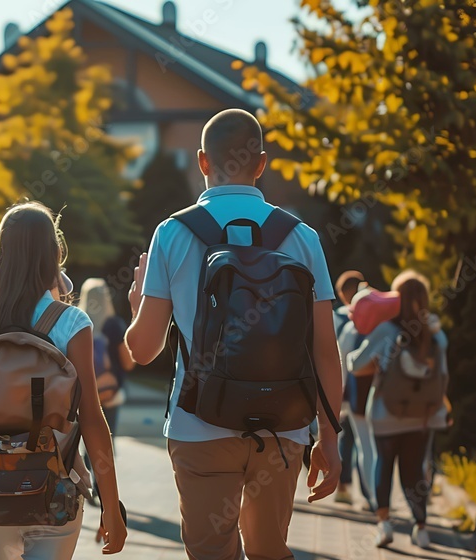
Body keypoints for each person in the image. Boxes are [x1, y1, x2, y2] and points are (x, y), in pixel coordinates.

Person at [124, 108, 342, 559]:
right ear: (261, 164)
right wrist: (330, 437)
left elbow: (143, 350)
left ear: (203, 161)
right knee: (268, 551)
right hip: (284, 426)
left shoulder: (172, 233)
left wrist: (134, 306)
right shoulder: (302, 237)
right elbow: (325, 350)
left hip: (200, 422)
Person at [0, 202, 127, 558]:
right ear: (55, 255)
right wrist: (111, 505)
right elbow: (92, 417)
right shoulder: (70, 322)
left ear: (0, 254)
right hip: (53, 486)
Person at [347, 270, 448, 549]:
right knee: (414, 471)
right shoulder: (437, 334)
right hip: (423, 415)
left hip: (384, 413)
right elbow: (444, 376)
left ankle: (385, 525)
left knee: (384, 465)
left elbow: (355, 365)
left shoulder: (386, 330)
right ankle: (422, 527)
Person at [78, 278, 134, 503]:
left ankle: (87, 482)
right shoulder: (114, 325)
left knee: (85, 438)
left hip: (82, 393)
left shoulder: (76, 322)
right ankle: (102, 487)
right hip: (110, 393)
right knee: (107, 439)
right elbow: (128, 363)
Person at [333, 270, 375, 509]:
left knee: (343, 440)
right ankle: (372, 497)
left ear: (342, 294)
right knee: (366, 445)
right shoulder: (381, 322)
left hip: (347, 393)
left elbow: (337, 361)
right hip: (371, 394)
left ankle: (343, 487)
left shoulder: (340, 319)